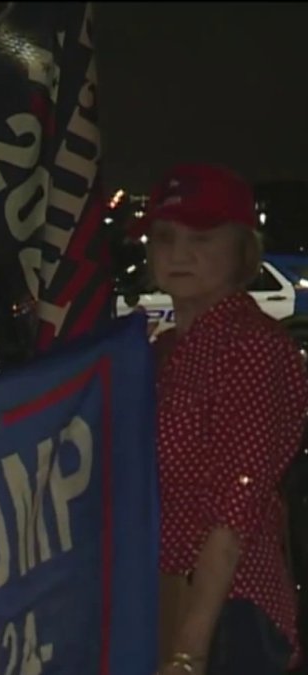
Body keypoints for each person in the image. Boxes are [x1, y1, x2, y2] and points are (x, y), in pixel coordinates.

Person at [133, 164, 307, 675]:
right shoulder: (164, 349)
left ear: (242, 250)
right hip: (163, 595)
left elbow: (235, 514)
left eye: (203, 238)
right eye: (164, 237)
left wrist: (188, 651)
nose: (179, 253)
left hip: (228, 610)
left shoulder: (252, 347)